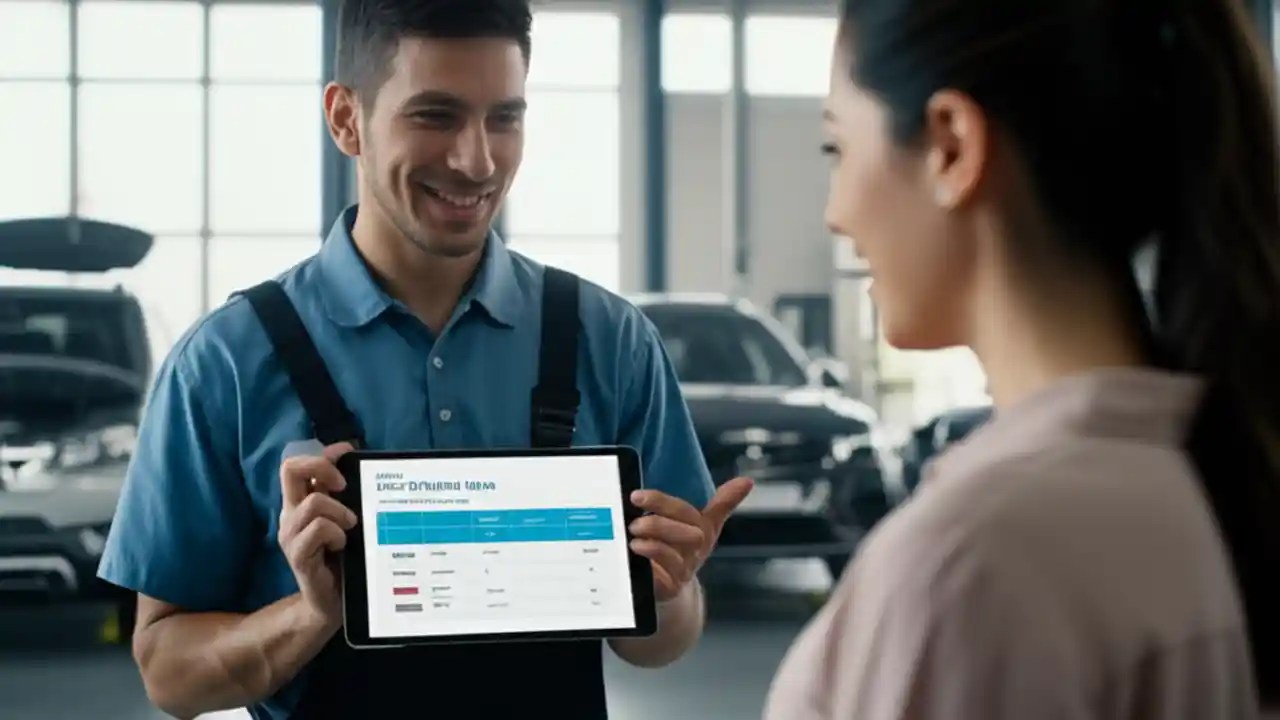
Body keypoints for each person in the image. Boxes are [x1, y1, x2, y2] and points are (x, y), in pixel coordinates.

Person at [96, 1, 753, 718]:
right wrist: (313, 612)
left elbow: (658, 642)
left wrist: (671, 591)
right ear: (347, 119)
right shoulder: (224, 361)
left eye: (504, 117)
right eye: (435, 115)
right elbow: (169, 674)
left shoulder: (612, 341)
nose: (478, 160)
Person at [765, 0, 1280, 718]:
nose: (835, 210)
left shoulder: (973, 562)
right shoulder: (1192, 478)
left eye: (838, 150)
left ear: (952, 146)